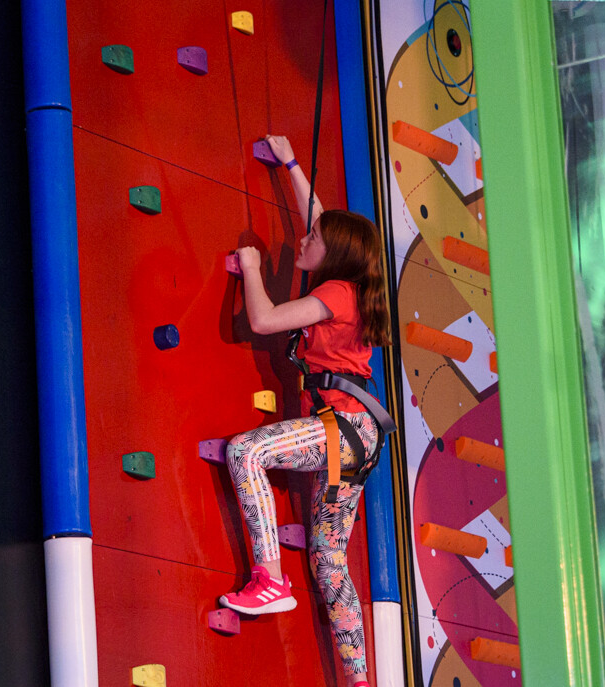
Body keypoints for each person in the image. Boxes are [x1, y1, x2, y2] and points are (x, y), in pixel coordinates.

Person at [220, 135, 391, 687]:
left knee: (247, 450)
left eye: (313, 238)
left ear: (335, 253)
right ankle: (361, 680)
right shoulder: (350, 289)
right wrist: (291, 164)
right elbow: (321, 221)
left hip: (342, 430)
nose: (303, 236)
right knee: (328, 558)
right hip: (359, 441)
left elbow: (267, 320)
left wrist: (250, 265)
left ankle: (267, 575)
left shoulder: (339, 292)